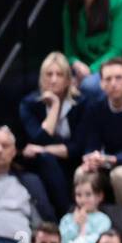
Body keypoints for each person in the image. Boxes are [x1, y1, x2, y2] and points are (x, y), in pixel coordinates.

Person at [73, 58, 122, 210]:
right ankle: (87, 221)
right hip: (109, 162)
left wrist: (108, 159)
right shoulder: (96, 108)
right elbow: (92, 143)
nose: (113, 83)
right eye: (108, 79)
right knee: (81, 172)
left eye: (118, 78)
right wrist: (91, 158)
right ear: (102, 84)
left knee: (119, 175)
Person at [17, 52, 82, 216]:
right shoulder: (29, 104)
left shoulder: (82, 104)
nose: (53, 80)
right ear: (41, 78)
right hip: (40, 163)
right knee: (46, 160)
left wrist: (44, 149)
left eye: (59, 74)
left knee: (48, 157)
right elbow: (39, 138)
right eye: (49, 74)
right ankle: (66, 213)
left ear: (68, 79)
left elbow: (77, 147)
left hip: (72, 162)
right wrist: (54, 106)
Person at [57, 173, 111, 243]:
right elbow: (61, 240)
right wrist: (75, 224)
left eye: (88, 194)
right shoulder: (67, 219)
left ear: (99, 196)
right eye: (78, 195)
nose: (83, 200)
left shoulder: (103, 220)